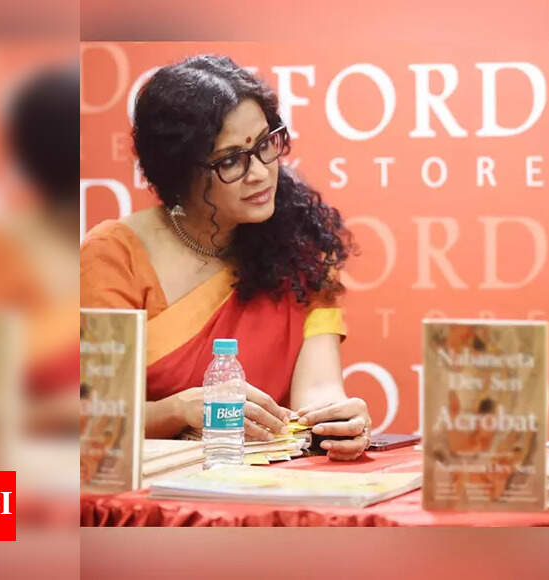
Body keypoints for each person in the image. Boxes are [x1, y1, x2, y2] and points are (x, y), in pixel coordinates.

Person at [81, 55, 370, 460]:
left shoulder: (299, 252)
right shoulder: (113, 256)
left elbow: (318, 394)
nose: (261, 173)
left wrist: (339, 422)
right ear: (179, 171)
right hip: (149, 488)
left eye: (265, 144)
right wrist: (179, 410)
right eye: (231, 160)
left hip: (265, 484)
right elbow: (93, 416)